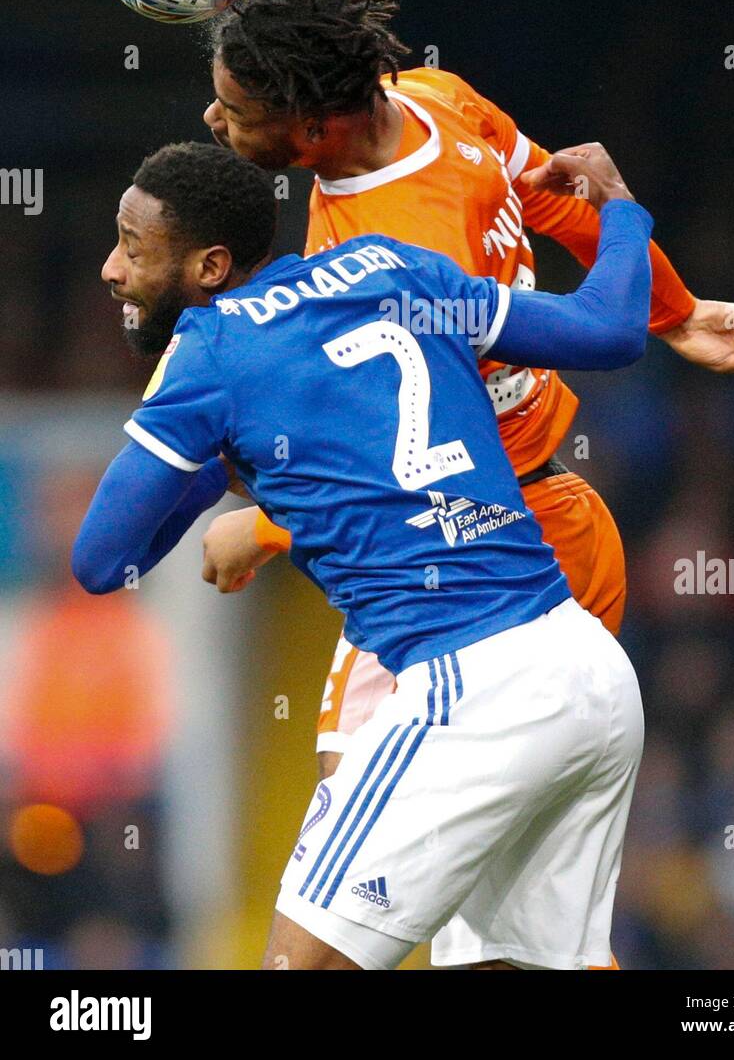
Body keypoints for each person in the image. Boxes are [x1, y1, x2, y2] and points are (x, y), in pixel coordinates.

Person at [199, 0, 734, 814]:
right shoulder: (433, 100)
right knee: (477, 905)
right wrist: (676, 312)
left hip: (476, 551)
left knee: (354, 860)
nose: (213, 123)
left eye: (233, 109)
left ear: (309, 128)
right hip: (546, 525)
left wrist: (263, 528)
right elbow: (561, 195)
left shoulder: (404, 254)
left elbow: (424, 449)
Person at [75, 136, 657, 970]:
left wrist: (216, 464)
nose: (110, 268)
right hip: (589, 666)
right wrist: (624, 212)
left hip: (471, 685)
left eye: (133, 247)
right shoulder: (391, 268)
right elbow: (608, 329)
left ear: (208, 267)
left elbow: (101, 560)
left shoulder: (209, 350)